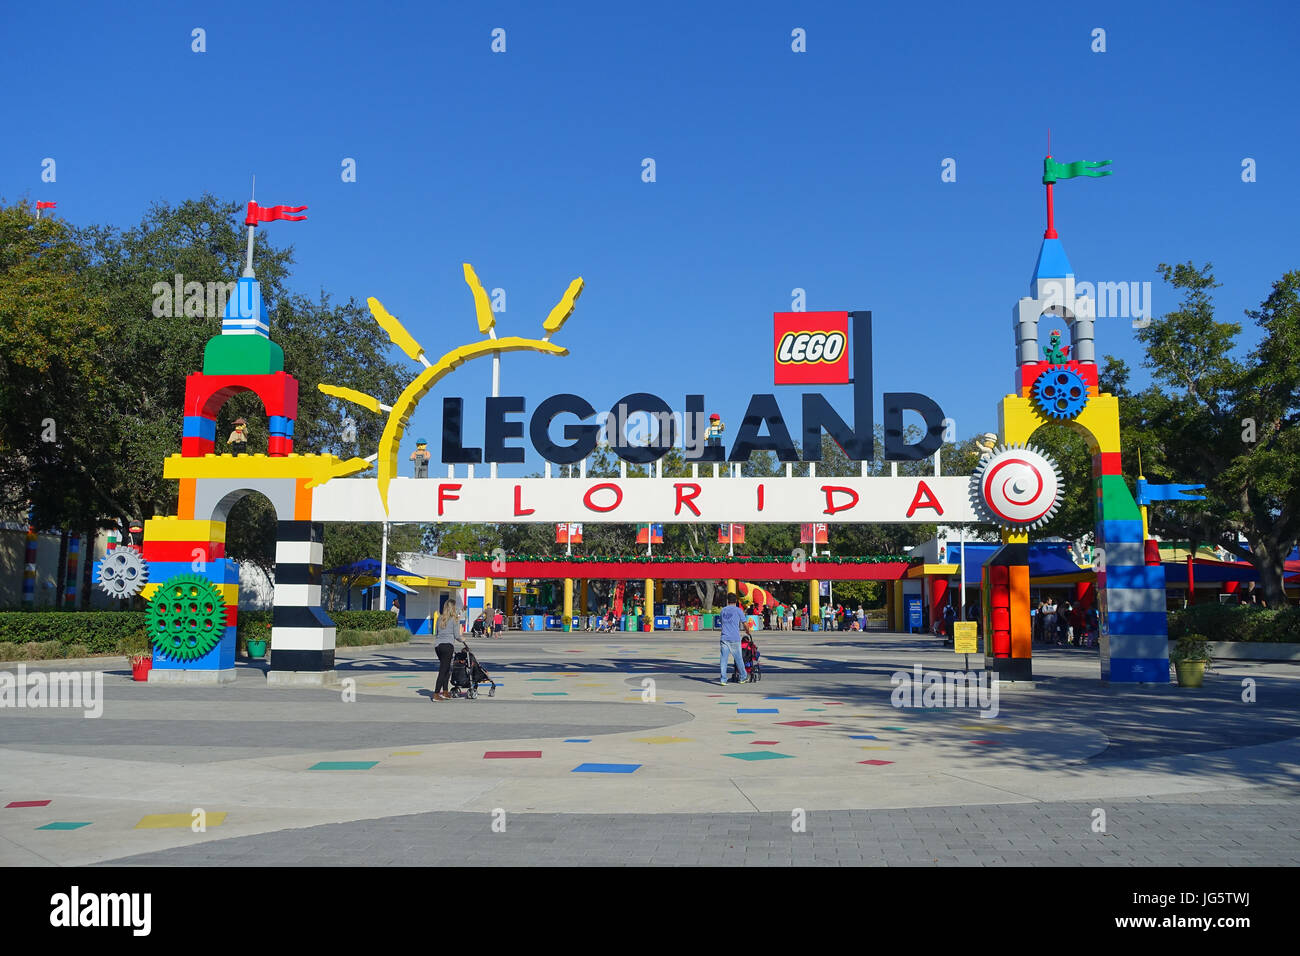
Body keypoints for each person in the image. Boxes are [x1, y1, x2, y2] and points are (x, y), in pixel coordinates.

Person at [717, 593, 750, 685]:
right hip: (735, 638)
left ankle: (723, 679)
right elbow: (745, 623)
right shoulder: (739, 610)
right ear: (736, 601)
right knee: (738, 658)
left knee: (724, 659)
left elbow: (721, 621)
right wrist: (748, 631)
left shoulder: (723, 610)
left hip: (724, 637)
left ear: (728, 600)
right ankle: (743, 677)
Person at [432, 598, 460, 701]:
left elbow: (436, 633)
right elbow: (457, 636)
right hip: (448, 646)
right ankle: (436, 693)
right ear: (453, 608)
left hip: (438, 646)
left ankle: (445, 691)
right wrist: (463, 639)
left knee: (447, 669)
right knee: (443, 670)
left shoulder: (439, 618)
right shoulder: (454, 619)